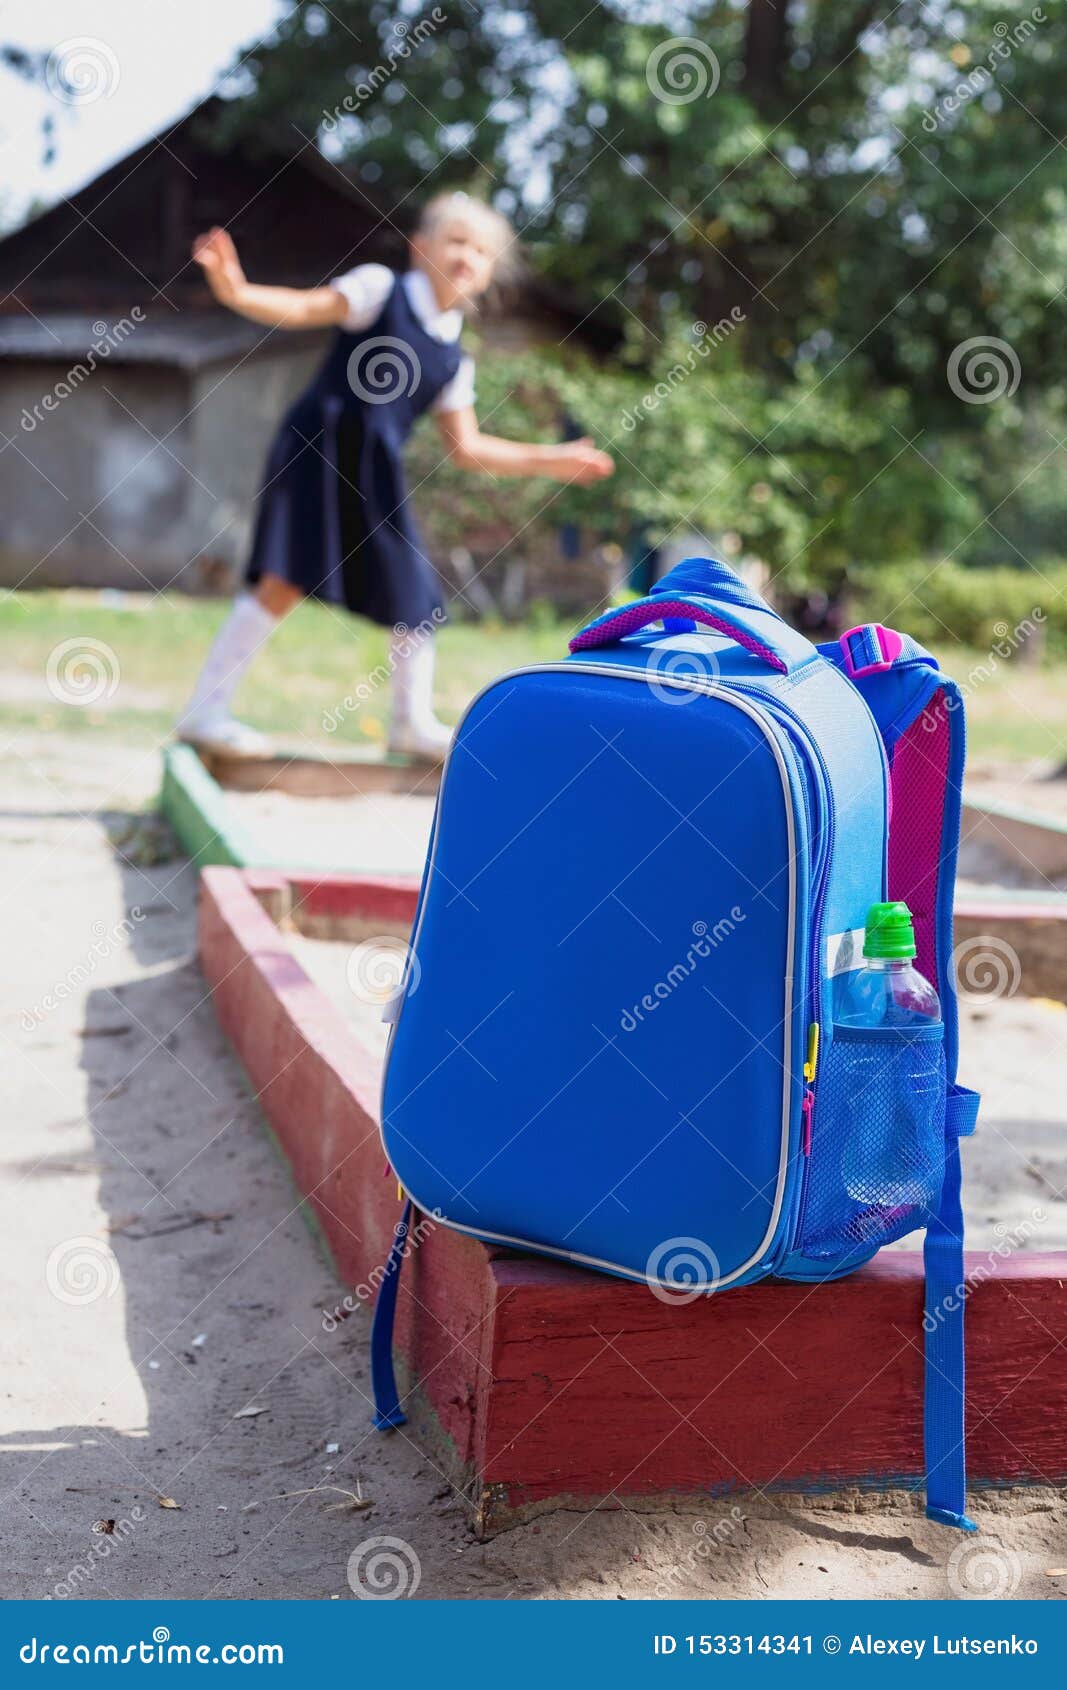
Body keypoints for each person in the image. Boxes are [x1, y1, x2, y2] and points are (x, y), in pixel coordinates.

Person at [177, 192, 614, 760]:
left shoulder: (456, 358)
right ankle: (204, 712)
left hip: (373, 470)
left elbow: (469, 448)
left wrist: (552, 460)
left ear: (489, 273)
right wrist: (236, 291)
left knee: (417, 595)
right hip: (321, 446)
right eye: (456, 241)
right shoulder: (379, 290)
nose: (467, 257)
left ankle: (410, 723)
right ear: (421, 248)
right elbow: (306, 309)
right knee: (283, 579)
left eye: (481, 251)